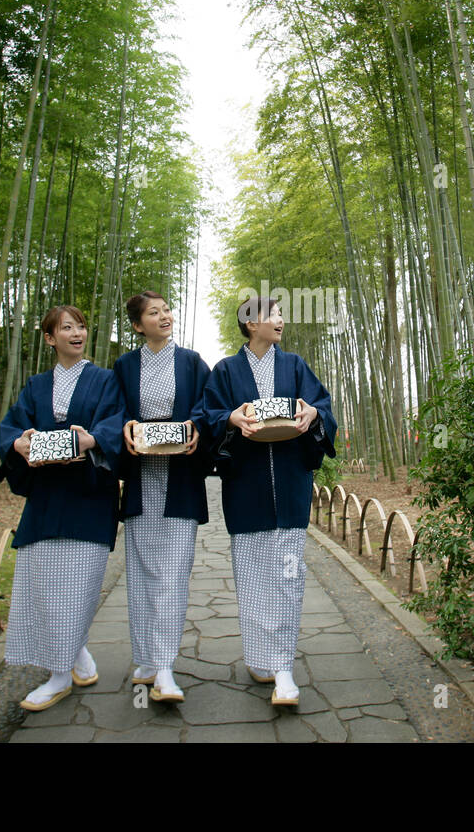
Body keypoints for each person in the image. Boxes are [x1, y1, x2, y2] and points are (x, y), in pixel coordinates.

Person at [193, 296, 337, 708]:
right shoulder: (225, 370)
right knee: (254, 577)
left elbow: (320, 406)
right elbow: (209, 416)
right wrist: (231, 419)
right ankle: (261, 657)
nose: (280, 321)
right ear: (249, 323)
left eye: (280, 314)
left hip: (291, 484)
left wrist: (312, 414)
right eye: (272, 315)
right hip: (246, 487)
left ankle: (285, 668)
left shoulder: (293, 365)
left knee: (289, 577)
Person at [0, 305, 126, 712]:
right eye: (66, 328)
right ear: (50, 338)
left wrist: (91, 441)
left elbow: (115, 424)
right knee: (42, 584)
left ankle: (58, 675)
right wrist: (18, 443)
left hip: (88, 495)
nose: (77, 333)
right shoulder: (36, 385)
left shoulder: (106, 380)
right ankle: (72, 659)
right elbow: (13, 428)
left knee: (81, 586)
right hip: (47, 498)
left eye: (81, 326)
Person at [112, 291, 211, 703]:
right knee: (142, 574)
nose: (165, 316)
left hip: (179, 482)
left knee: (172, 575)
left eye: (167, 309)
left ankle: (166, 667)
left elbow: (210, 407)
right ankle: (148, 658)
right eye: (154, 313)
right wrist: (126, 430)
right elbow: (114, 411)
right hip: (142, 482)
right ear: (138, 325)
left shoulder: (190, 362)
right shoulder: (124, 365)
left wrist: (195, 429)